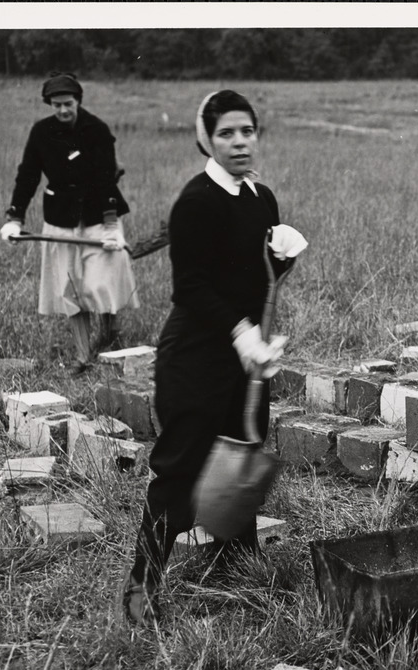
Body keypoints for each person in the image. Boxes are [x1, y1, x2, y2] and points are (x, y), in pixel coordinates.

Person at [122, 90, 308, 626]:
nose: (239, 141)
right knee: (180, 468)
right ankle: (142, 586)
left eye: (246, 130)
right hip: (197, 356)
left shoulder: (261, 198)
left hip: (241, 358)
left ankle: (237, 558)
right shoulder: (197, 201)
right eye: (226, 133)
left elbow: (253, 282)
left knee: (242, 453)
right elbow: (195, 289)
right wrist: (243, 334)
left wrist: (282, 262)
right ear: (207, 138)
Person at [0, 72, 138, 371]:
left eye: (68, 104)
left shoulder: (96, 130)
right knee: (70, 288)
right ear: (50, 104)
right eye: (57, 104)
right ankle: (83, 357)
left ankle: (109, 334)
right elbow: (27, 176)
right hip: (60, 218)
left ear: (78, 101)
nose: (63, 110)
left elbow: (106, 180)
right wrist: (15, 217)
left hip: (98, 215)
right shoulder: (41, 133)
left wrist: (112, 225)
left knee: (102, 283)